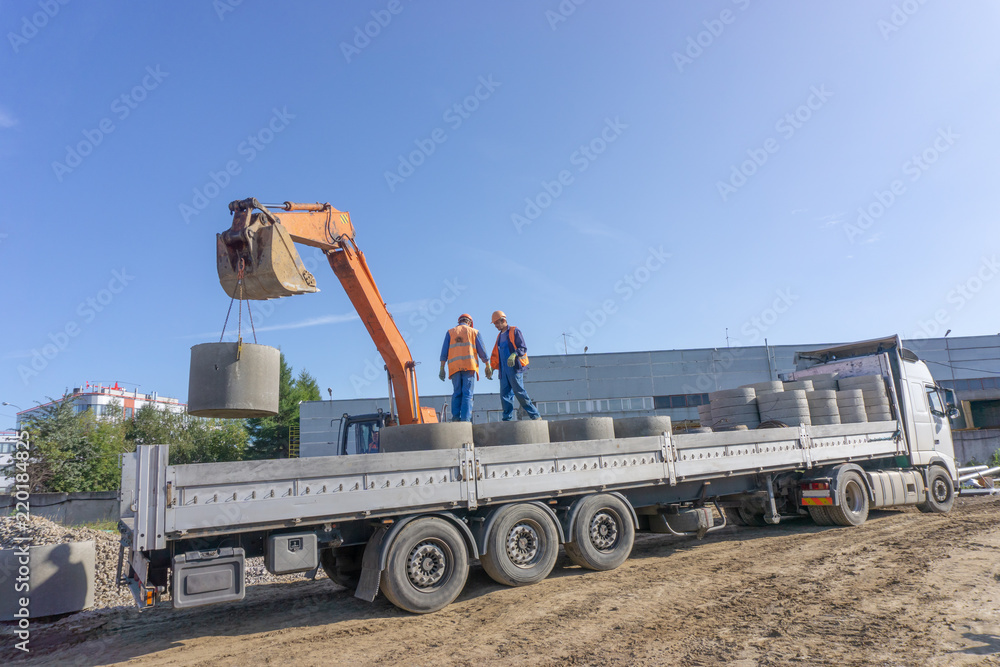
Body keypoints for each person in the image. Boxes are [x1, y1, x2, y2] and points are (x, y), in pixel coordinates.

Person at [489, 310, 541, 421]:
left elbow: (523, 348)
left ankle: (535, 415)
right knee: (505, 395)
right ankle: (507, 419)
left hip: (514, 368)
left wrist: (514, 354)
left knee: (519, 392)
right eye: (494, 324)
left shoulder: (514, 331)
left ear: (503, 320)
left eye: (497, 323)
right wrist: (492, 367)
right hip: (503, 371)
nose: (496, 326)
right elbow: (496, 354)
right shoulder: (499, 337)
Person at [439, 313, 492, 422]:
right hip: (469, 366)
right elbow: (482, 351)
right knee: (467, 394)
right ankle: (465, 420)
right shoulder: (474, 332)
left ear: (459, 321)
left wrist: (442, 368)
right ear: (469, 322)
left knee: (457, 392)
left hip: (454, 367)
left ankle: (455, 418)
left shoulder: (450, 332)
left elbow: (444, 352)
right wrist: (487, 365)